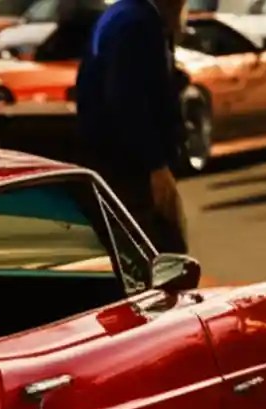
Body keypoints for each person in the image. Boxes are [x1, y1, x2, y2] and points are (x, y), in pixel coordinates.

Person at [75, 0, 188, 254]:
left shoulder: (122, 13)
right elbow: (127, 99)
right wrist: (156, 165)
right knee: (162, 255)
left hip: (110, 157)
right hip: (129, 166)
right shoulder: (140, 23)